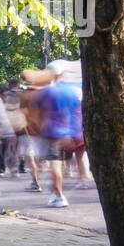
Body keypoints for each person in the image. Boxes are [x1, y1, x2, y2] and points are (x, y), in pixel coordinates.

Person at [36, 67, 83, 207]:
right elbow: (76, 113)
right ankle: (56, 192)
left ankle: (59, 195)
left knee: (55, 165)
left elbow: (38, 112)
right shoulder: (71, 92)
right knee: (60, 165)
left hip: (52, 133)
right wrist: (75, 133)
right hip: (68, 133)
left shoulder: (46, 92)